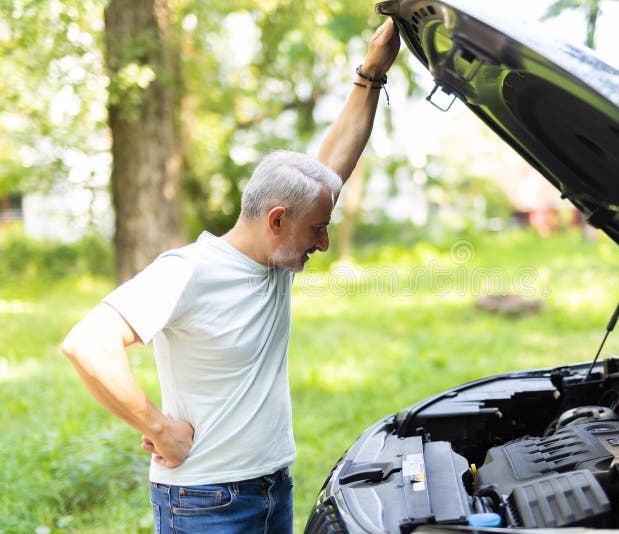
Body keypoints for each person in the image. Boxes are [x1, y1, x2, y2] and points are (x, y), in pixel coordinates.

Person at [60, 18, 400, 533]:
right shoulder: (188, 271)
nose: (323, 244)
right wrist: (158, 426)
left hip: (270, 487)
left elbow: (332, 164)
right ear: (277, 220)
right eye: (317, 229)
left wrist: (372, 72)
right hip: (204, 503)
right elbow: (87, 343)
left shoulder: (276, 261)